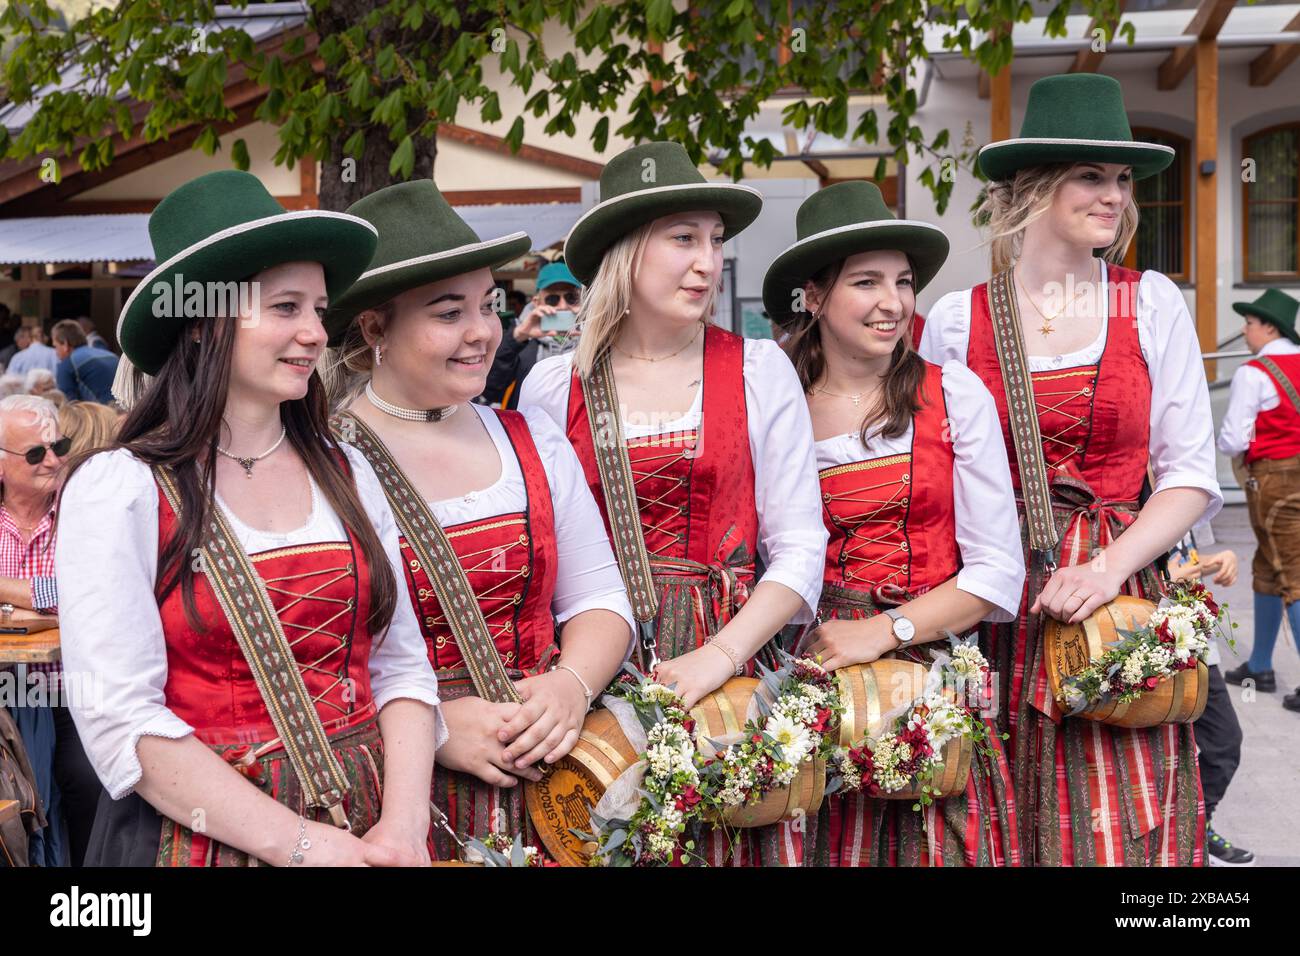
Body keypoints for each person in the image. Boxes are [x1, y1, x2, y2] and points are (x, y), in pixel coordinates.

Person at [55, 169, 445, 867]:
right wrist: (301, 846)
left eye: (318, 310)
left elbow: (401, 667)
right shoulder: (121, 489)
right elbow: (120, 720)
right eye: (285, 307)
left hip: (369, 829)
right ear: (203, 322)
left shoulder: (348, 470)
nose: (313, 334)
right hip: (204, 841)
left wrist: (404, 827)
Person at [919, 73, 1222, 866]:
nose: (1115, 197)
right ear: (1034, 187)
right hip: (995, 595)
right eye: (1092, 176)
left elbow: (1190, 474)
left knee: (1122, 809)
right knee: (999, 805)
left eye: (1122, 180)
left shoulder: (1148, 303)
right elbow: (932, 480)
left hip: (1119, 595)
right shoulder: (958, 320)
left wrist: (1109, 569)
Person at [521, 141, 828, 865]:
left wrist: (719, 658)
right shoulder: (550, 387)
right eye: (684, 239)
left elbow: (800, 547)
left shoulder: (758, 368)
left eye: (715, 241)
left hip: (732, 651)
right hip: (598, 663)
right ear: (627, 253)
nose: (708, 261)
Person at [324, 179, 634, 860]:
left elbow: (601, 597)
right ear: (376, 327)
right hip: (397, 794)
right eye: (447, 312)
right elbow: (311, 662)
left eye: (488, 305)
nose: (481, 332)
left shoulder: (531, 438)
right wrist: (433, 728)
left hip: (552, 784)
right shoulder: (324, 464)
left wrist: (571, 685)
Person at [765, 181, 1023, 866]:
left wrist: (884, 630)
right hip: (809, 682)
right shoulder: (770, 403)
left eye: (903, 282)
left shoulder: (953, 395)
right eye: (866, 282)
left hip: (929, 669)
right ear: (813, 297)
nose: (893, 303)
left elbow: (999, 572)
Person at [0, 395, 103, 866]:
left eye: (58, 445)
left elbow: (92, 590)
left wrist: (6, 590)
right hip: (5, 691)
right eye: (37, 453)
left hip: (74, 686)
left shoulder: (83, 507)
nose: (56, 460)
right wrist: (48, 597)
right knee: (17, 799)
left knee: (86, 783)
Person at [1217, 289, 1300, 713]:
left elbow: (1233, 438)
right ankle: (1261, 665)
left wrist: (1242, 442)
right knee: (1269, 567)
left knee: (1293, 575)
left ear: (1269, 326)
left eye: (1249, 322)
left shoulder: (1255, 372)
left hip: (1274, 478)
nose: (1245, 330)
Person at [1168, 535, 1255, 866]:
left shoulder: (1198, 494)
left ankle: (1196, 827)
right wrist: (1178, 572)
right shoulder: (1141, 485)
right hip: (1143, 639)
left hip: (1197, 644)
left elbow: (1184, 557)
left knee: (1224, 743)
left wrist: (1221, 557)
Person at [481, 260, 583, 409]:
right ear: (537, 302)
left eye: (571, 298)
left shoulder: (595, 339)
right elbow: (490, 390)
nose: (563, 306)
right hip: (527, 428)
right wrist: (518, 336)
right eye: (552, 299)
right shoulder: (519, 340)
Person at [52, 319, 119, 404]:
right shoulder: (111, 355)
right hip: (130, 412)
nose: (56, 352)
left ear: (65, 344)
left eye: (55, 346)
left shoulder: (68, 364)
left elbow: (70, 407)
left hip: (104, 415)